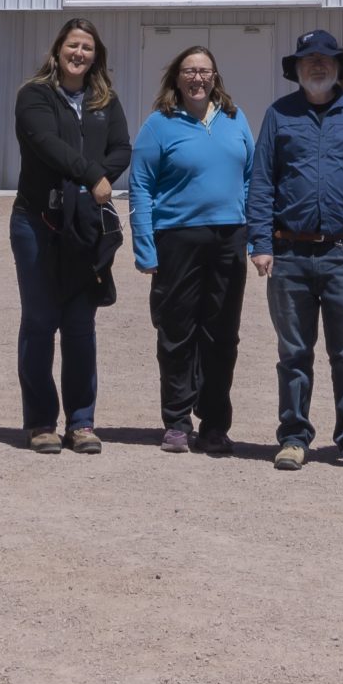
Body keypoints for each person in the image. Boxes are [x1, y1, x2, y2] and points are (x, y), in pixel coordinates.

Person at [246, 28, 343, 473]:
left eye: (326, 59)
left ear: (338, 67)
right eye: (309, 60)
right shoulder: (278, 115)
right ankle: (292, 436)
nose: (318, 66)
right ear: (298, 69)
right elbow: (262, 181)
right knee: (294, 352)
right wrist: (261, 243)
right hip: (289, 253)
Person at [11, 19, 131, 455]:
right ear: (58, 49)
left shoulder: (105, 100)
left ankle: (81, 422)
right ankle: (41, 422)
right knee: (41, 321)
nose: (79, 53)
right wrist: (92, 175)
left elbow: (122, 148)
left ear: (95, 55)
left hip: (85, 226)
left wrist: (92, 182)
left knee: (80, 324)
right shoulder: (35, 95)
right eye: (72, 45)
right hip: (37, 222)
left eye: (87, 47)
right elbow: (45, 143)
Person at [128, 42, 255, 456]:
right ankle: (178, 421)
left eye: (204, 71)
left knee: (222, 335)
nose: (197, 78)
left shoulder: (236, 121)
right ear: (176, 79)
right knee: (177, 333)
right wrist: (145, 247)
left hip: (228, 239)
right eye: (189, 71)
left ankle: (215, 423)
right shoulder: (159, 125)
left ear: (215, 77)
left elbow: (253, 178)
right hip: (177, 239)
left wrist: (255, 235)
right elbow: (141, 187)